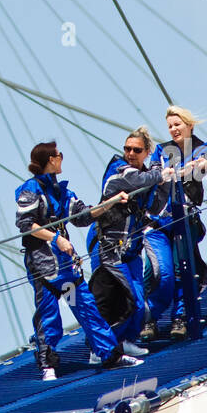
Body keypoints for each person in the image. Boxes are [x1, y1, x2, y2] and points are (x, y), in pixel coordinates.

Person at [16, 142, 141, 377]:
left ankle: (109, 354)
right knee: (48, 313)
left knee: (86, 307)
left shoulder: (61, 191)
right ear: (51, 160)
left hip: (65, 268)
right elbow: (26, 225)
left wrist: (111, 202)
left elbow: (82, 216)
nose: (62, 158)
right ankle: (47, 364)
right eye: (59, 155)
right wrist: (56, 239)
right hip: (44, 267)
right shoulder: (29, 190)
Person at [143, 106, 207, 341]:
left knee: (180, 269)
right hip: (158, 220)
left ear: (189, 125)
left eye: (177, 124)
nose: (173, 129)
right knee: (156, 271)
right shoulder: (162, 151)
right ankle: (148, 319)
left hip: (185, 218)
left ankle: (180, 318)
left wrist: (206, 166)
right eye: (170, 126)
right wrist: (167, 173)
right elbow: (152, 177)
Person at [88, 128, 167, 353]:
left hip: (131, 246)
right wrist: (161, 171)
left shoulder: (147, 175)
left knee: (137, 297)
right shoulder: (119, 170)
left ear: (146, 152)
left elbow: (155, 205)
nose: (130, 153)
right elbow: (140, 179)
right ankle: (99, 349)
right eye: (127, 148)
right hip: (106, 244)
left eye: (136, 150)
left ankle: (126, 341)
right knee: (109, 297)